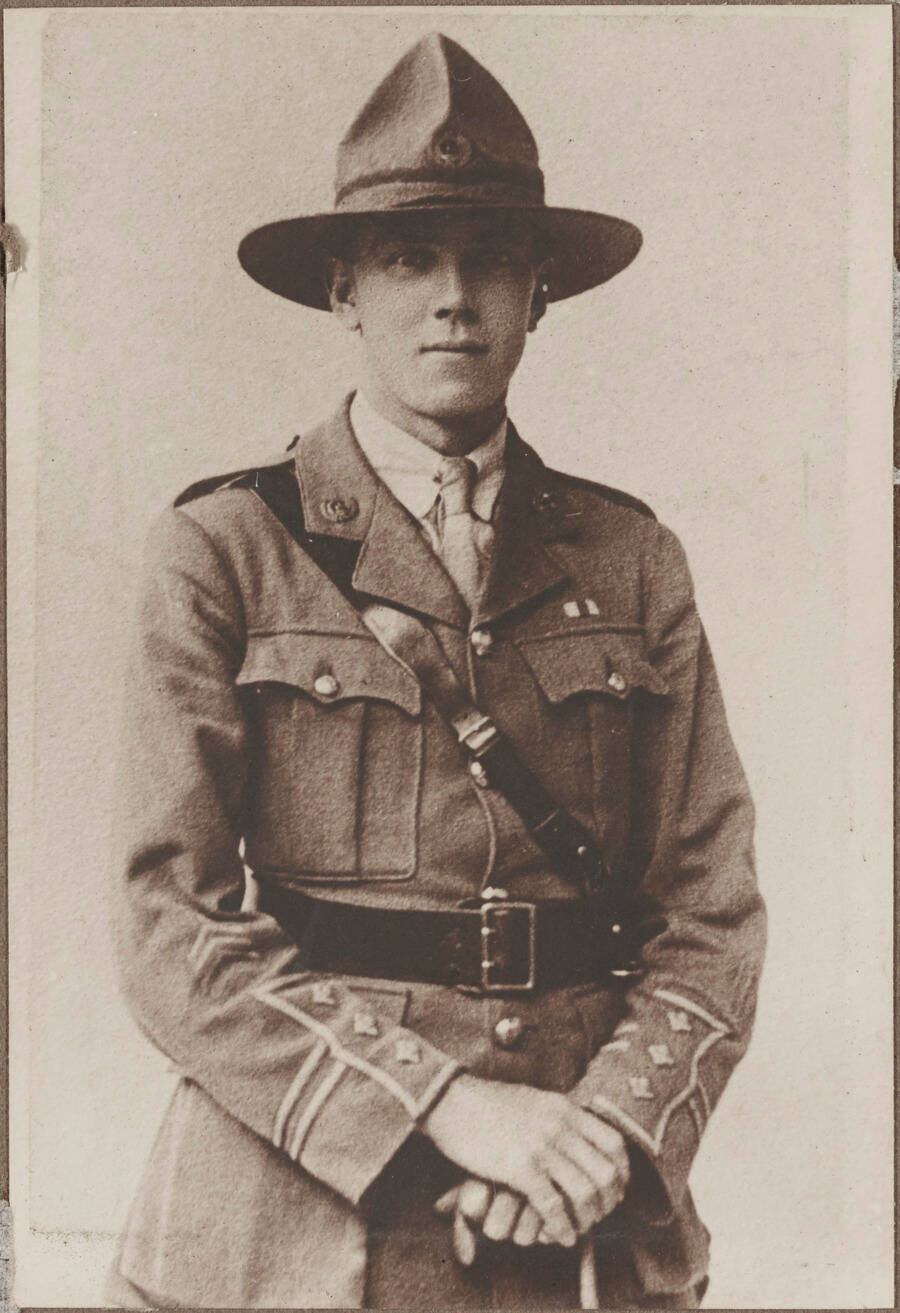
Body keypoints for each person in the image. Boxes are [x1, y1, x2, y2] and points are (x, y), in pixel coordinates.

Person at [107, 32, 766, 1310]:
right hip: (288, 1215)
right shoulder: (223, 550)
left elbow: (713, 910)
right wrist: (453, 1109)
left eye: (493, 258)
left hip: (575, 1202)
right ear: (345, 290)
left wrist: (603, 1137)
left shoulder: (632, 560)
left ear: (541, 294)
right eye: (411, 256)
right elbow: (167, 920)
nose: (455, 296)